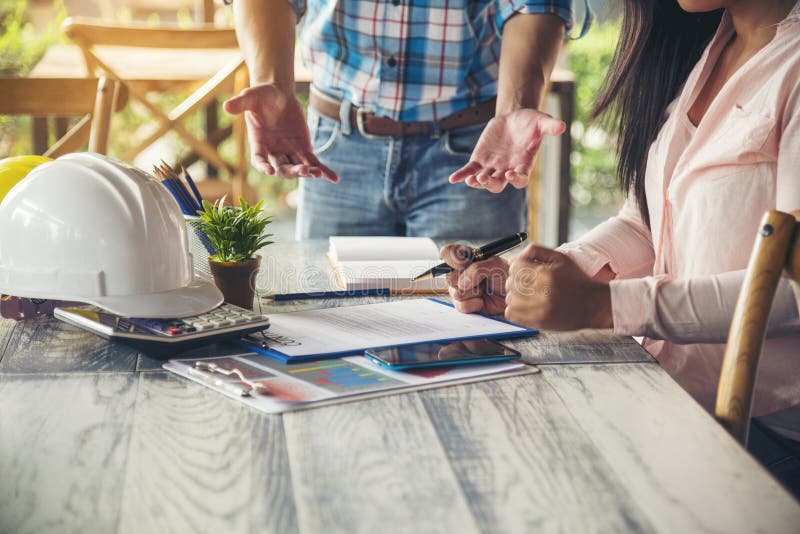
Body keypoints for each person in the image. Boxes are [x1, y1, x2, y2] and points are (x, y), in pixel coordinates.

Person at [441, 0, 800, 495]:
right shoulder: (703, 46)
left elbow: (794, 291)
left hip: (768, 433)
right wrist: (551, 279)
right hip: (673, 394)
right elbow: (648, 222)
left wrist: (602, 305)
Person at [222, 0, 589, 239]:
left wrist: (515, 108)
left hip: (473, 154)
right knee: (329, 318)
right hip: (337, 147)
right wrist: (272, 83)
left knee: (472, 332)